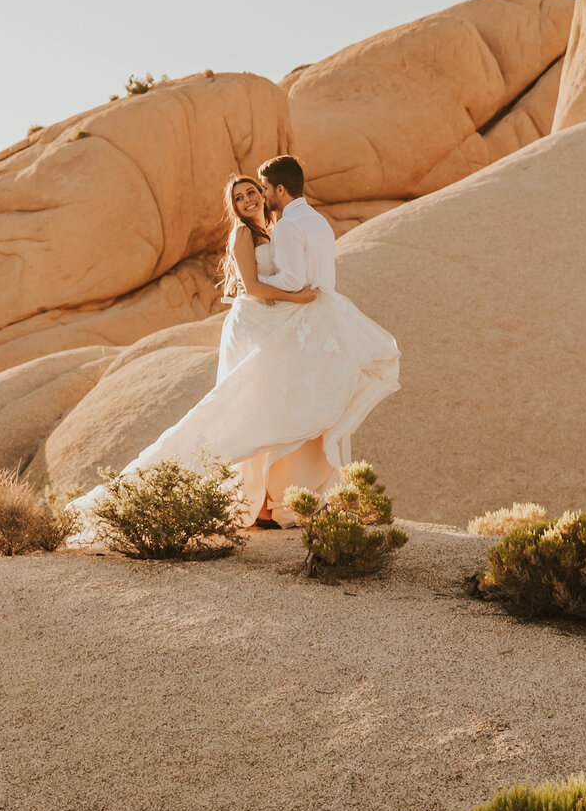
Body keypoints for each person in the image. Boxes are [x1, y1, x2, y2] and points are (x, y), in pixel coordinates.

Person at [67, 155, 402, 535]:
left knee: (271, 407)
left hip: (277, 321)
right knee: (251, 404)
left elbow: (286, 278)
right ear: (235, 207)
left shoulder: (279, 229)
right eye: (239, 197)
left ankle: (266, 501)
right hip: (256, 323)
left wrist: (301, 299)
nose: (248, 200)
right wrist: (302, 299)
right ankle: (256, 499)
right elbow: (258, 287)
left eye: (252, 192)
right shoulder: (251, 233)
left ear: (268, 192)